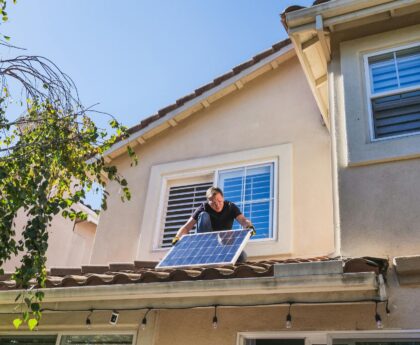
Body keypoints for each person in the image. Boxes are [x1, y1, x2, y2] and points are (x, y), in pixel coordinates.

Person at [172, 187, 256, 255]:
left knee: (242, 256)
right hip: (207, 242)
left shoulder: (230, 207)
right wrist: (177, 237)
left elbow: (243, 220)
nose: (217, 205)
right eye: (213, 203)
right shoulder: (203, 207)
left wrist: (249, 227)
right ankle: (204, 245)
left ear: (223, 198)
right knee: (203, 215)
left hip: (223, 242)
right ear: (208, 202)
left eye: (219, 201)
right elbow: (187, 227)